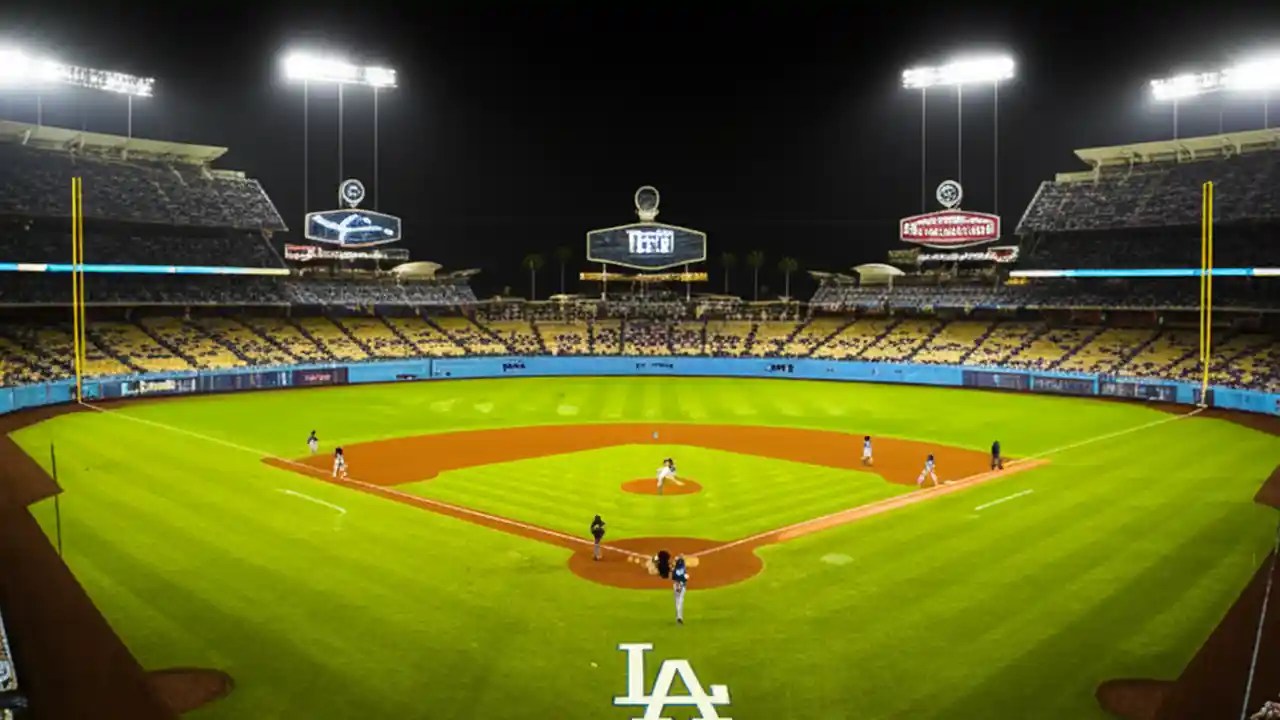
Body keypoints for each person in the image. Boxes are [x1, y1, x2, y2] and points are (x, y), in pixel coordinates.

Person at [672, 556, 688, 625]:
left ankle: (678, 617)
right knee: (680, 601)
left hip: (676, 586)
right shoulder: (684, 570)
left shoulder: (675, 570)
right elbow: (686, 578)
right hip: (682, 586)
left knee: (677, 601)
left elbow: (674, 578)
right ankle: (679, 617)